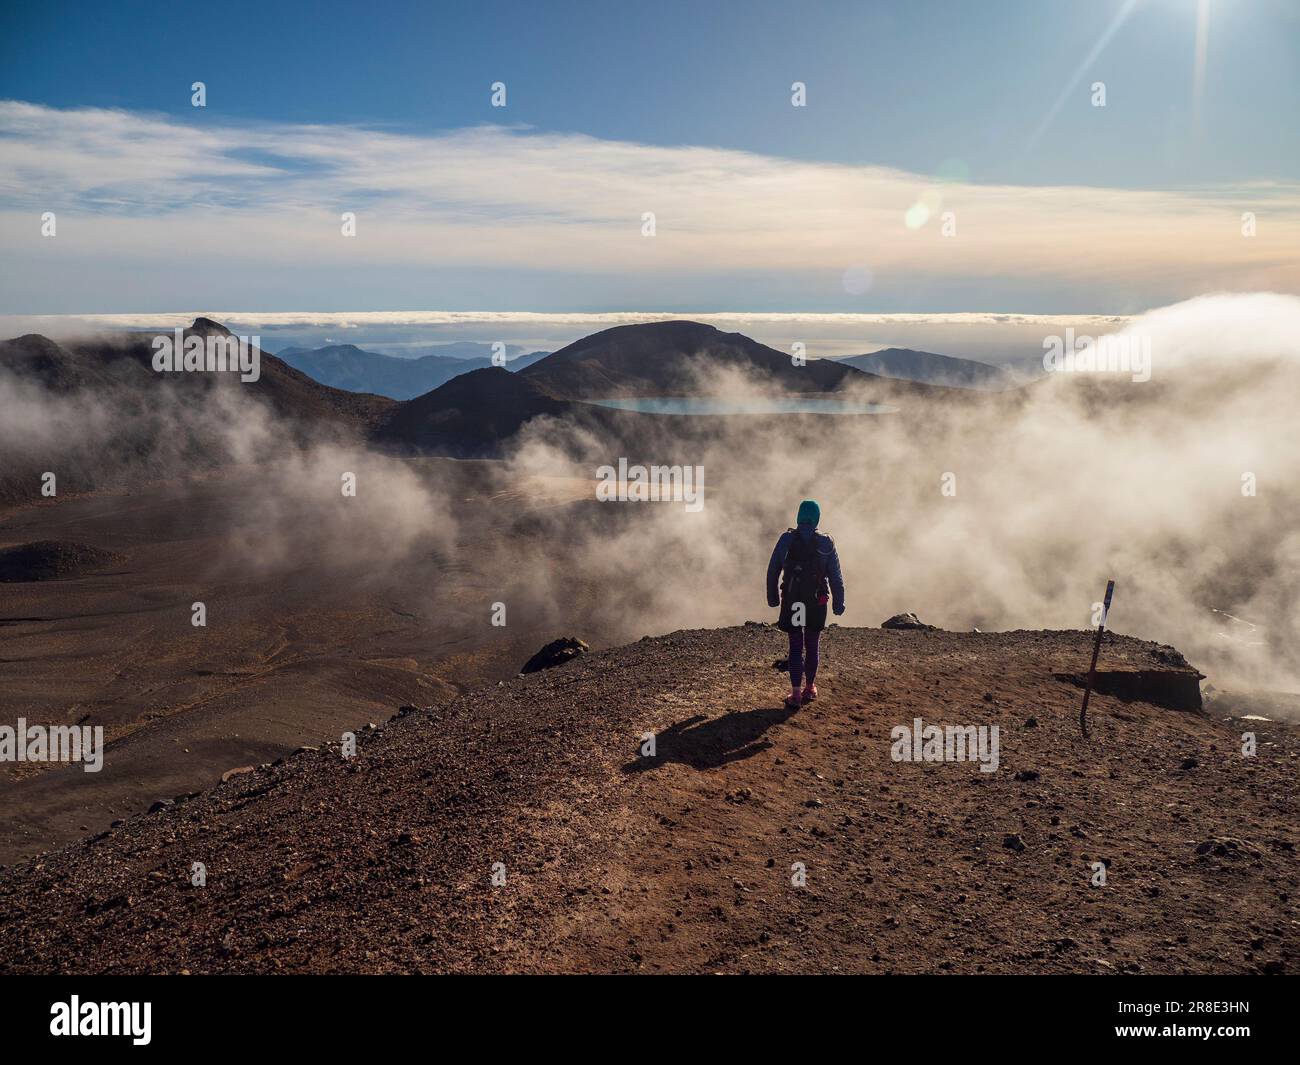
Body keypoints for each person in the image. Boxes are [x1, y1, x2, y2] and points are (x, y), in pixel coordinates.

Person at [766, 499, 845, 708]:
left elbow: (773, 570)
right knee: (812, 644)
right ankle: (809, 688)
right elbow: (836, 577)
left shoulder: (786, 540)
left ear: (798, 517)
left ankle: (795, 694)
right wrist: (839, 603)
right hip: (816, 602)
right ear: (817, 518)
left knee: (795, 645)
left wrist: (772, 598)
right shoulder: (826, 543)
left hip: (793, 600)